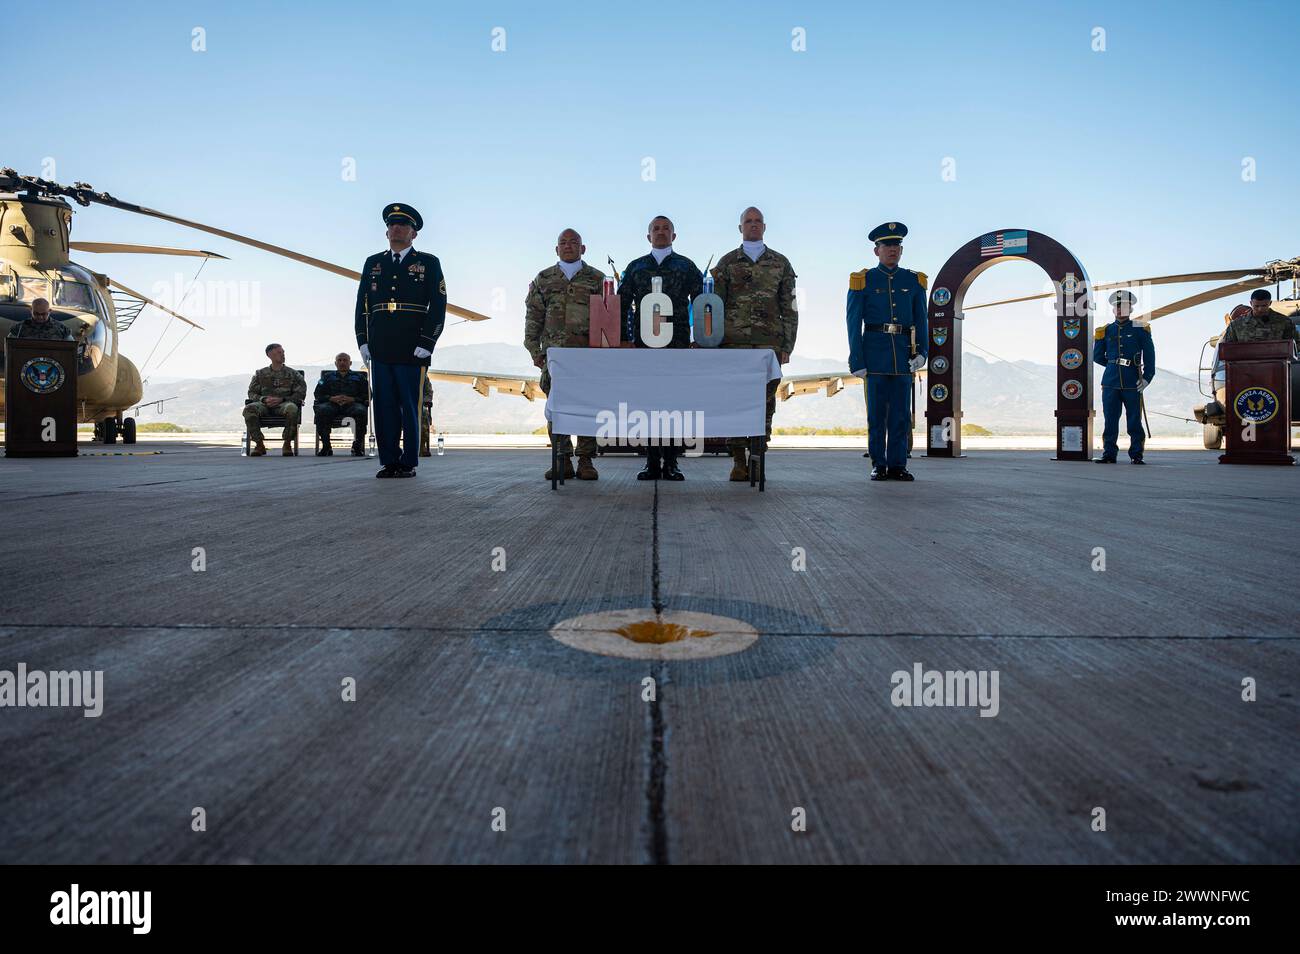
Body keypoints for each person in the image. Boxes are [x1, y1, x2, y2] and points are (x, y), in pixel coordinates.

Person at [354, 203, 447, 478]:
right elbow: (362, 304)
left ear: (413, 234)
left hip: (412, 346)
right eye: (392, 224)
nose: (397, 228)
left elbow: (438, 305)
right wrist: (363, 340)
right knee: (383, 405)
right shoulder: (374, 263)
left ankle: (408, 462)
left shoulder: (428, 263)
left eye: (403, 225)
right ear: (386, 232)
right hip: (380, 344)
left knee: (409, 405)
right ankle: (389, 460)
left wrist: (427, 341)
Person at [711, 207, 798, 481]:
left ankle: (758, 456)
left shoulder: (781, 263)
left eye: (757, 221)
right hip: (732, 345)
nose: (753, 225)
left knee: (765, 403)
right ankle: (738, 461)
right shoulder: (726, 263)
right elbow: (715, 306)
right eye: (748, 221)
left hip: (768, 346)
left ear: (764, 226)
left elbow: (790, 307)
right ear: (740, 228)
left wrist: (788, 345)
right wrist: (713, 343)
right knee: (735, 402)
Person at [619, 215, 703, 481]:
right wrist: (624, 338)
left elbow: (702, 301)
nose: (661, 232)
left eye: (666, 228)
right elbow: (622, 304)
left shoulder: (687, 266)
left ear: (674, 235)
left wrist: (702, 337)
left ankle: (672, 462)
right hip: (645, 344)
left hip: (677, 343)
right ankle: (652, 462)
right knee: (649, 402)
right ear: (648, 236)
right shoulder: (635, 267)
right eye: (656, 228)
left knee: (674, 402)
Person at [524, 228, 608, 480]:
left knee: (588, 407)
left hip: (587, 356)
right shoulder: (544, 279)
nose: (568, 246)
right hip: (555, 356)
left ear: (583, 249)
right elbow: (533, 316)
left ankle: (585, 461)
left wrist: (607, 351)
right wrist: (534, 349)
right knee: (556, 407)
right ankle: (561, 459)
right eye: (563, 242)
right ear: (556, 249)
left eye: (574, 242)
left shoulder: (597, 278)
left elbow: (610, 316)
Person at [846, 222, 928, 481]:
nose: (892, 250)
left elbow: (921, 320)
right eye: (887, 246)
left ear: (901, 250)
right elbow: (852, 322)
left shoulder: (914, 281)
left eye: (896, 246)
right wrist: (857, 359)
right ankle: (878, 464)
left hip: (903, 355)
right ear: (876, 251)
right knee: (877, 414)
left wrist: (922, 352)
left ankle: (898, 464)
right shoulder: (863, 280)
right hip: (874, 354)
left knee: (902, 414)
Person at [1092, 289, 1155, 464]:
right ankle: (1109, 454)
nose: (1120, 310)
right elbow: (1097, 356)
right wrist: (1114, 364)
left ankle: (1136, 455)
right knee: (1110, 420)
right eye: (1117, 307)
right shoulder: (1104, 331)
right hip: (1110, 382)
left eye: (1125, 306)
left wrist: (1147, 378)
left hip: (1133, 382)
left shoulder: (1141, 329)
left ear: (1131, 310)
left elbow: (1150, 357)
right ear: (1113, 310)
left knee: (1134, 420)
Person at [244, 343, 307, 456]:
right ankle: (259, 444)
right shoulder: (260, 374)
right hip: (264, 405)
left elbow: (300, 393)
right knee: (249, 408)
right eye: (279, 352)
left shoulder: (293, 374)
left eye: (283, 352)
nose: (283, 355)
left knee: (292, 408)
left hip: (284, 404)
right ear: (270, 355)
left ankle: (287, 443)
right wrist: (263, 399)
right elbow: (251, 392)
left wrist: (282, 399)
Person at [313, 352, 369, 456]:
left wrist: (353, 399)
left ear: (350, 363)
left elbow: (368, 395)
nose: (342, 362)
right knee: (322, 411)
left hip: (352, 404)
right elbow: (318, 393)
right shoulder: (326, 377)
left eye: (345, 360)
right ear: (335, 363)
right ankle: (326, 446)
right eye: (339, 360)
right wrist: (331, 398)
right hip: (332, 404)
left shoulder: (360, 377)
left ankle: (357, 447)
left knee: (361, 411)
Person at [1221, 288, 1300, 347]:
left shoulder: (1284, 322)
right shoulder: (1236, 325)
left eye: (1264, 306)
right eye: (1256, 306)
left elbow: (1295, 345)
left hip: (1276, 366)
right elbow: (1227, 347)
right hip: (1245, 366)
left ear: (1270, 303)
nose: (1260, 309)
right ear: (1251, 303)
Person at [7, 298, 74, 340]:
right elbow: (9, 346)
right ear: (31, 310)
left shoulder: (61, 329)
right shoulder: (19, 328)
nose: (40, 317)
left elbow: (71, 349)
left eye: (44, 314)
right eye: (36, 314)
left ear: (49, 311)